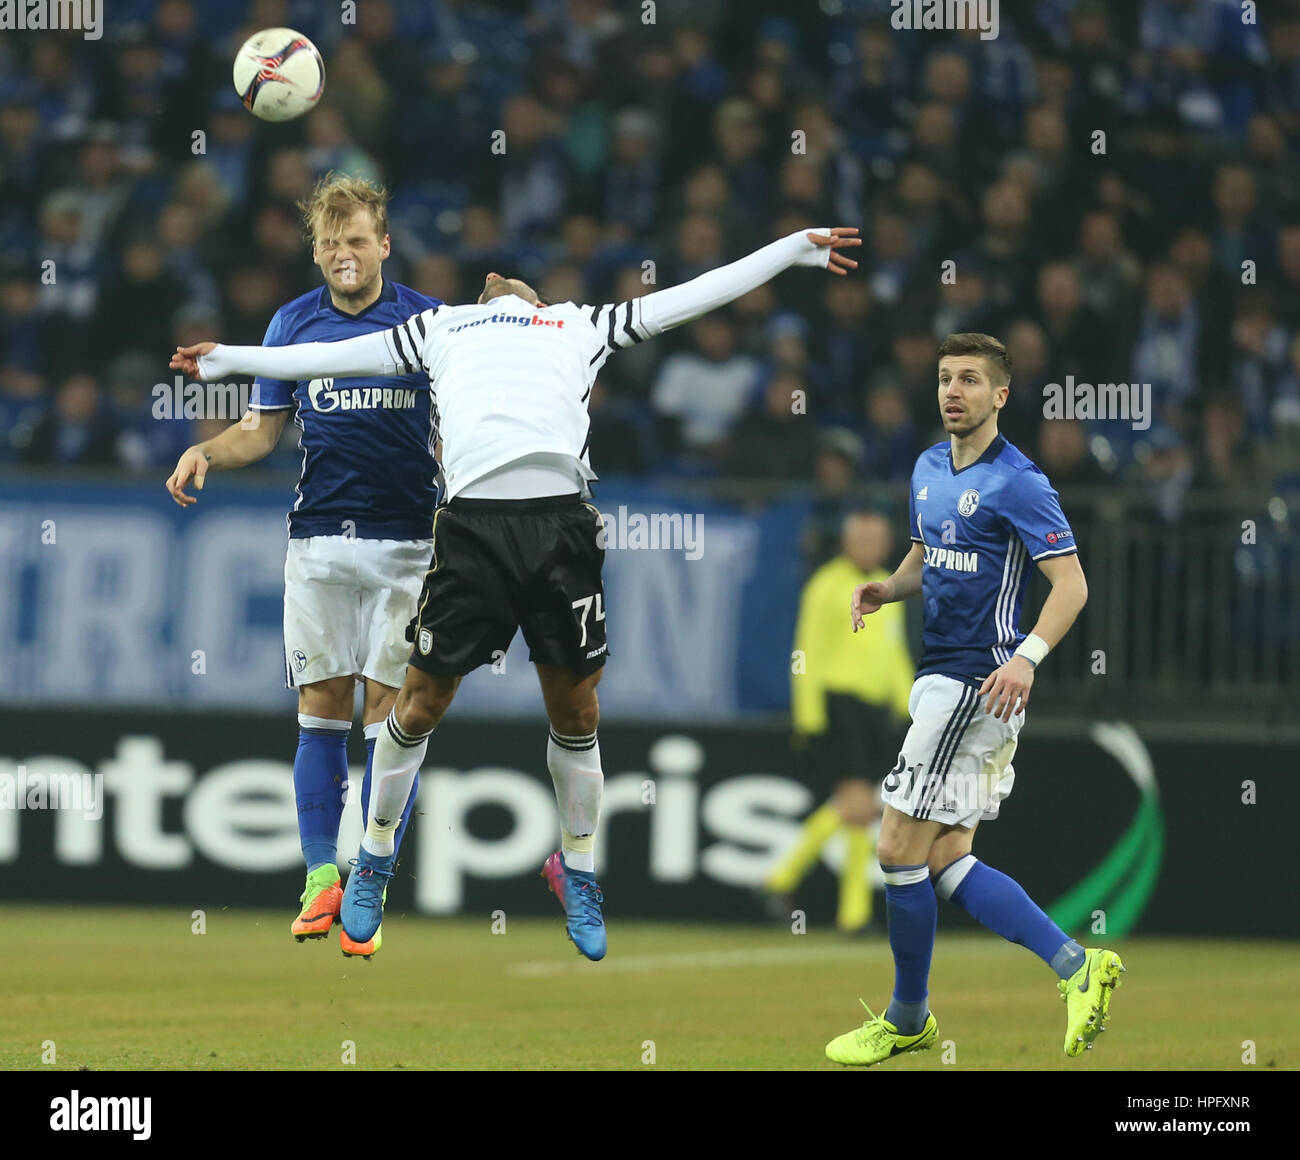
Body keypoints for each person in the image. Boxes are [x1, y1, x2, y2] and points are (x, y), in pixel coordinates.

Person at [171, 225, 862, 962]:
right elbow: (326, 357)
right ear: (485, 293)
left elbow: (691, 297)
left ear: (538, 297)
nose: (500, 276)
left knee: (576, 709)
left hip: (560, 527)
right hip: (469, 530)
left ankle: (579, 868)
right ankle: (371, 862)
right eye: (491, 276)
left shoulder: (577, 325)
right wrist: (232, 361)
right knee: (419, 703)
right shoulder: (443, 328)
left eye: (514, 276)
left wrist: (789, 249)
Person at [825, 332, 1122, 1066]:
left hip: (974, 683)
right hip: (944, 679)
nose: (953, 391)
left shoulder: (1019, 481)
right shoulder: (928, 465)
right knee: (944, 858)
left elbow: (1072, 585)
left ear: (1001, 395)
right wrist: (889, 588)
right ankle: (1078, 968)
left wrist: (1026, 658)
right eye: (945, 378)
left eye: (969, 380)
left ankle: (907, 1017)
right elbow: (931, 549)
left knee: (895, 846)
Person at [165, 175, 438, 959]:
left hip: (409, 544)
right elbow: (261, 430)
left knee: (393, 715)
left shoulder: (427, 323)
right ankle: (323, 874)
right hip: (317, 540)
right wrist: (205, 450)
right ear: (315, 251)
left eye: (356, 240)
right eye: (329, 243)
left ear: (383, 244)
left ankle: (371, 875)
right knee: (321, 705)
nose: (343, 254)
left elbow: (454, 429)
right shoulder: (292, 321)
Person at [765, 510, 912, 933]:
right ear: (847, 542)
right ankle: (784, 879)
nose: (870, 547)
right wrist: (809, 718)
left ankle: (850, 913)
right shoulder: (827, 586)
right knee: (857, 803)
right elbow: (805, 652)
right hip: (839, 705)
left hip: (876, 710)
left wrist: (907, 705)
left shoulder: (888, 585)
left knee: (860, 810)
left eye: (877, 539)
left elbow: (893, 650)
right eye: (862, 539)